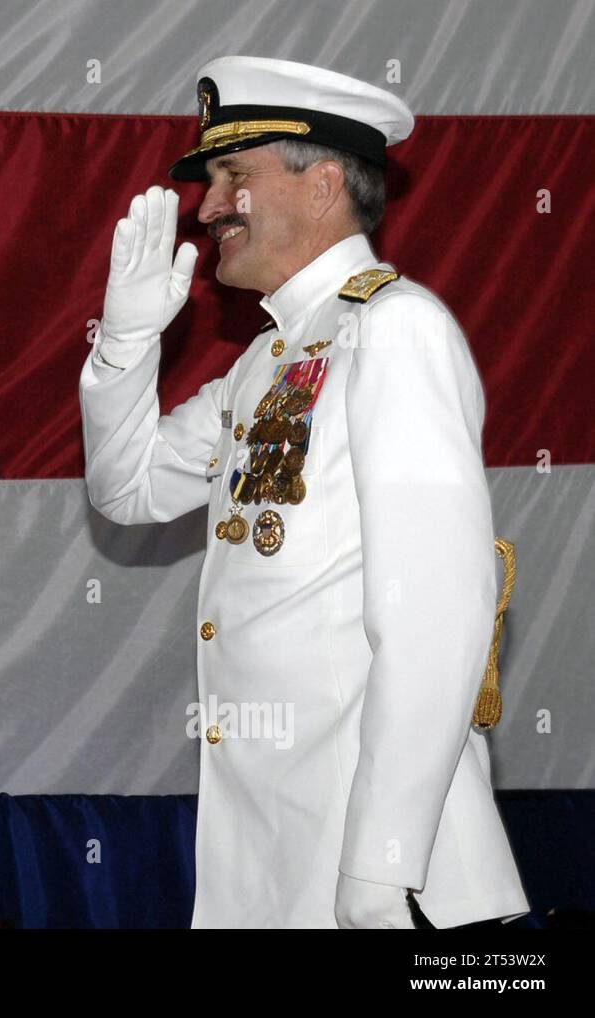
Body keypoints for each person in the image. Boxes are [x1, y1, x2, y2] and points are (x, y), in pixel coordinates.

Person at [78, 55, 528, 929]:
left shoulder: (394, 329)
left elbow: (439, 610)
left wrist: (383, 859)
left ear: (322, 185)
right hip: (275, 857)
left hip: (378, 872)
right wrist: (126, 344)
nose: (207, 208)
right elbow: (126, 490)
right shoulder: (270, 359)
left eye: (232, 176)